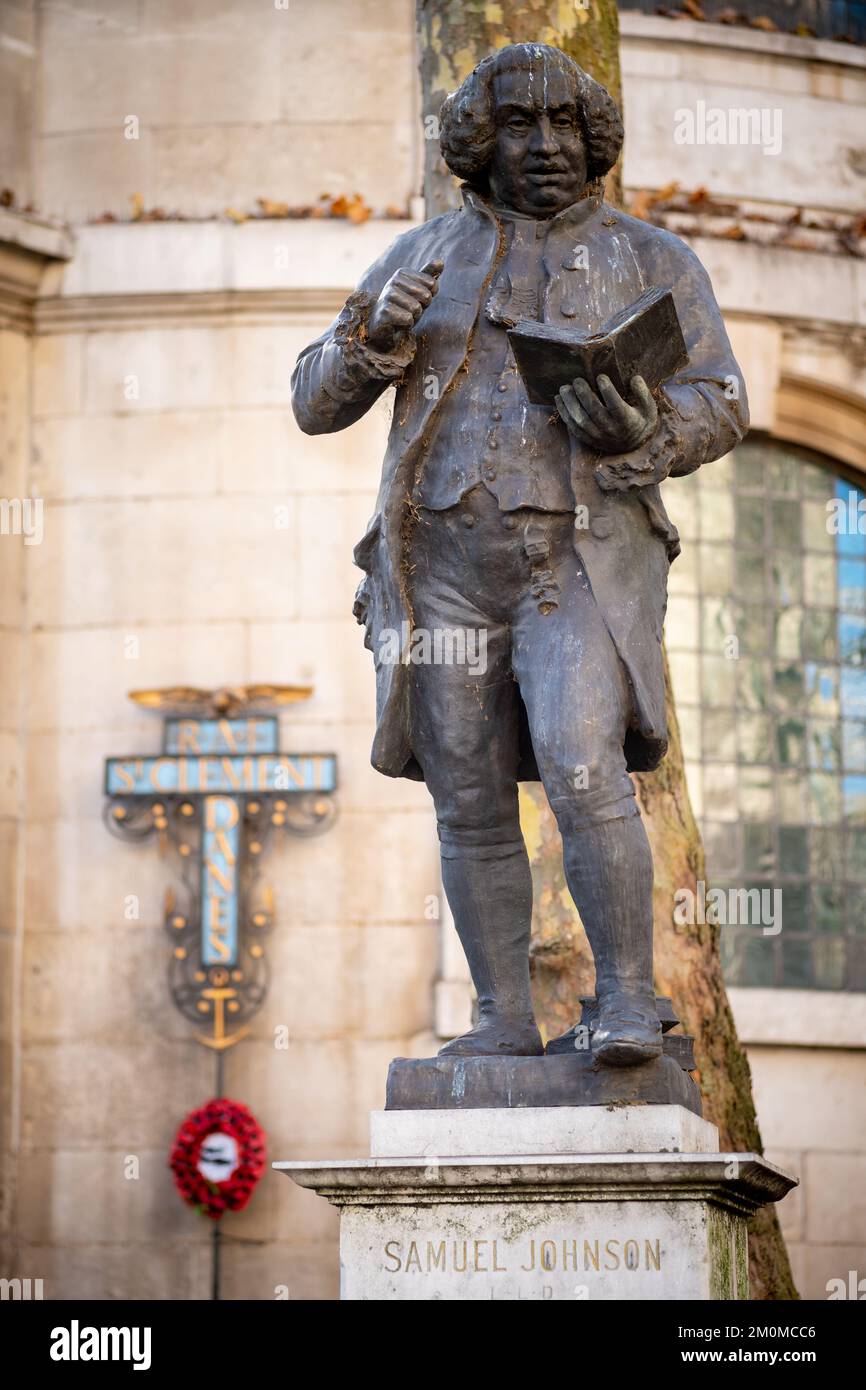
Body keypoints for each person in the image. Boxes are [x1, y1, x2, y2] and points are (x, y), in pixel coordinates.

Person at [291, 43, 748, 1066]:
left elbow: (721, 402)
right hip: (441, 569)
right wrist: (368, 337)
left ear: (591, 140)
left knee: (586, 767)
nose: (542, 146)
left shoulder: (652, 257)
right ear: (475, 143)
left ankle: (627, 1001)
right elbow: (312, 399)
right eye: (515, 126)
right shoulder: (420, 256)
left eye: (560, 125)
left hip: (570, 564)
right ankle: (503, 1016)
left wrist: (644, 431)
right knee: (466, 794)